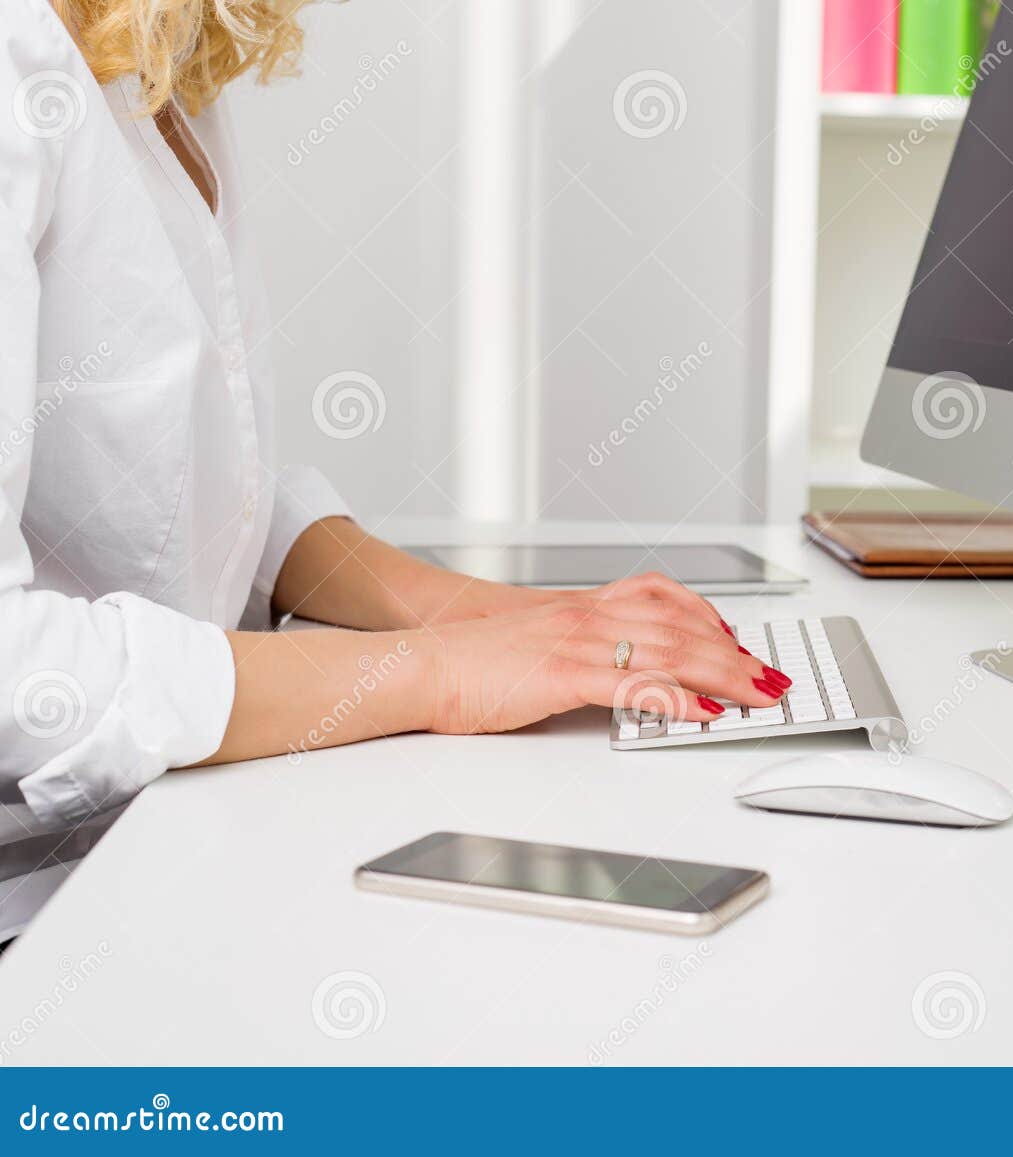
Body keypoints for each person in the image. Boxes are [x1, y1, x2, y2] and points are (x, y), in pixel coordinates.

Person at [0, 0, 789, 942]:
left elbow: (195, 480)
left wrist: (493, 617)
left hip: (172, 832)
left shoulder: (162, 48)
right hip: (49, 920)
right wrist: (444, 673)